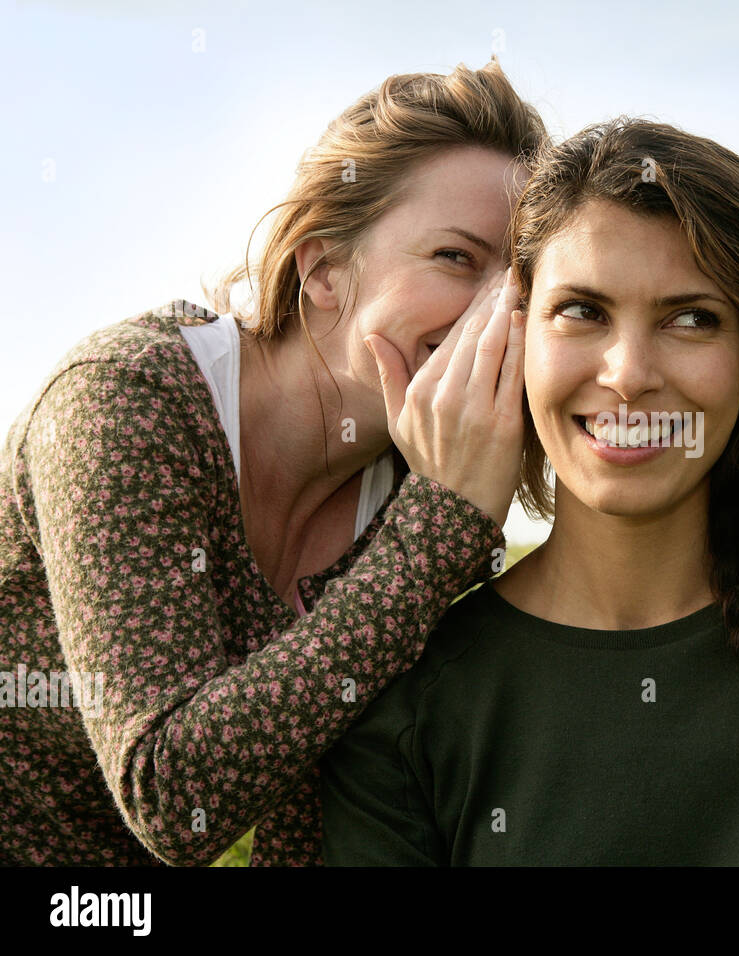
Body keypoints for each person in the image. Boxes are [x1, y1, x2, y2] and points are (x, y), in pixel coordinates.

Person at [319, 118, 739, 866]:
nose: (629, 371)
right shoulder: (402, 698)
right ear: (512, 338)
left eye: (692, 318)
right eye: (582, 310)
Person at [0, 62, 546, 866]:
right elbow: (174, 792)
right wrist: (440, 530)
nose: (501, 318)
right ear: (323, 268)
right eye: (458, 259)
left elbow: (318, 815)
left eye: (524, 285)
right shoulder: (128, 399)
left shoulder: (415, 489)